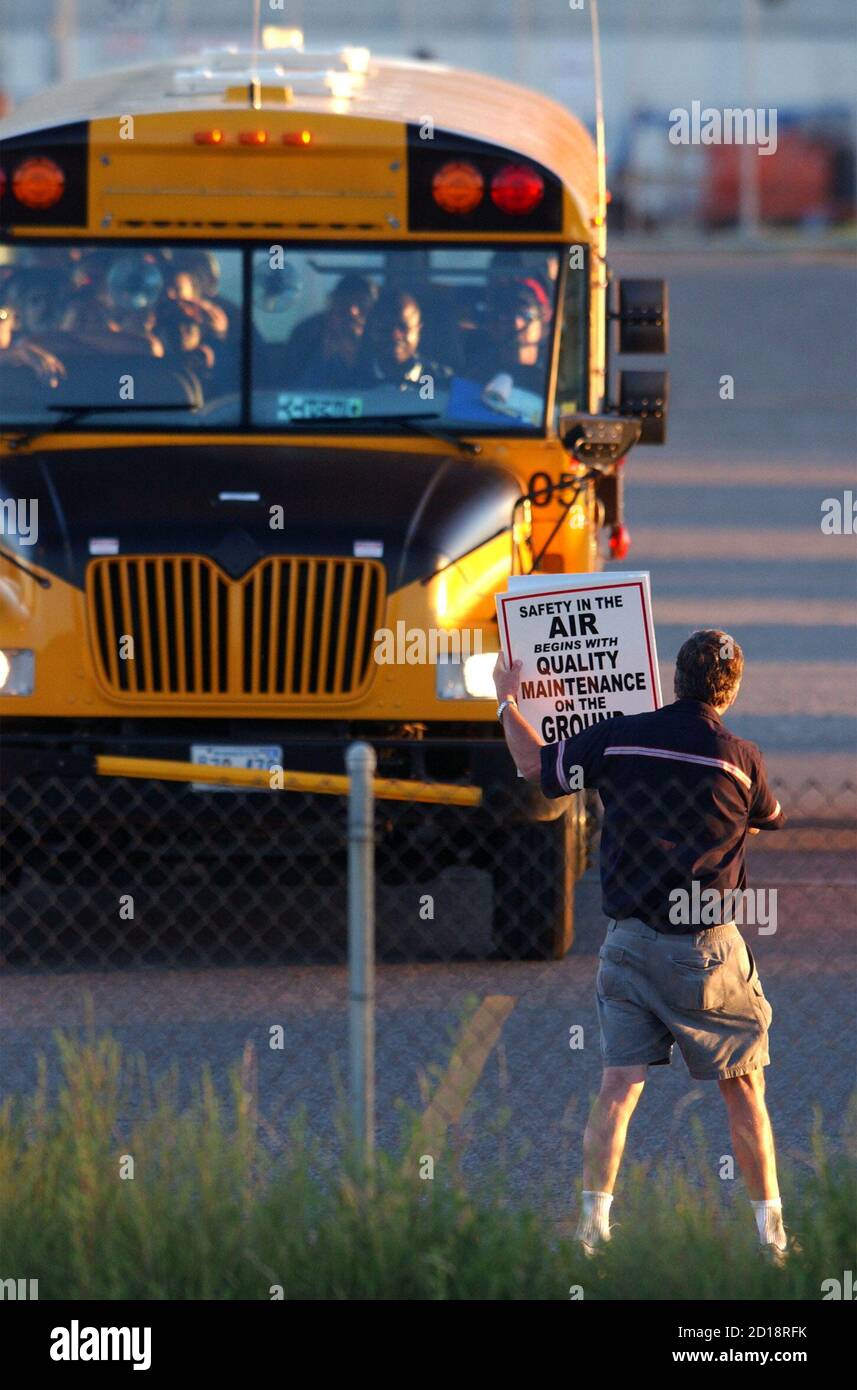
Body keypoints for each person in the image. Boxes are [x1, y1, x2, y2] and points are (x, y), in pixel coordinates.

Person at [493, 629, 792, 1264]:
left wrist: (506, 702)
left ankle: (592, 1231)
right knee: (744, 1093)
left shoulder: (618, 736)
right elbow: (770, 815)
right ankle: (771, 1240)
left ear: (672, 678)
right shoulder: (742, 757)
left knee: (618, 1089)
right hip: (708, 954)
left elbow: (534, 766)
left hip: (627, 946)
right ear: (730, 692)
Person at [279, 273, 378, 389]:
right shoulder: (308, 333)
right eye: (343, 304)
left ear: (373, 309)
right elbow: (288, 384)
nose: (353, 312)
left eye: (361, 304)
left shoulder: (383, 337)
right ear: (332, 304)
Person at [468, 276, 552, 394]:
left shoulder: (556, 381)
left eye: (525, 313)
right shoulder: (475, 379)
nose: (516, 322)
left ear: (545, 318)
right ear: (493, 325)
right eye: (506, 313)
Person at [360, 287, 451, 389]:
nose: (395, 336)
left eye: (403, 327)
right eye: (385, 328)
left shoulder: (443, 382)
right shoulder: (352, 381)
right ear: (373, 330)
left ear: (418, 330)